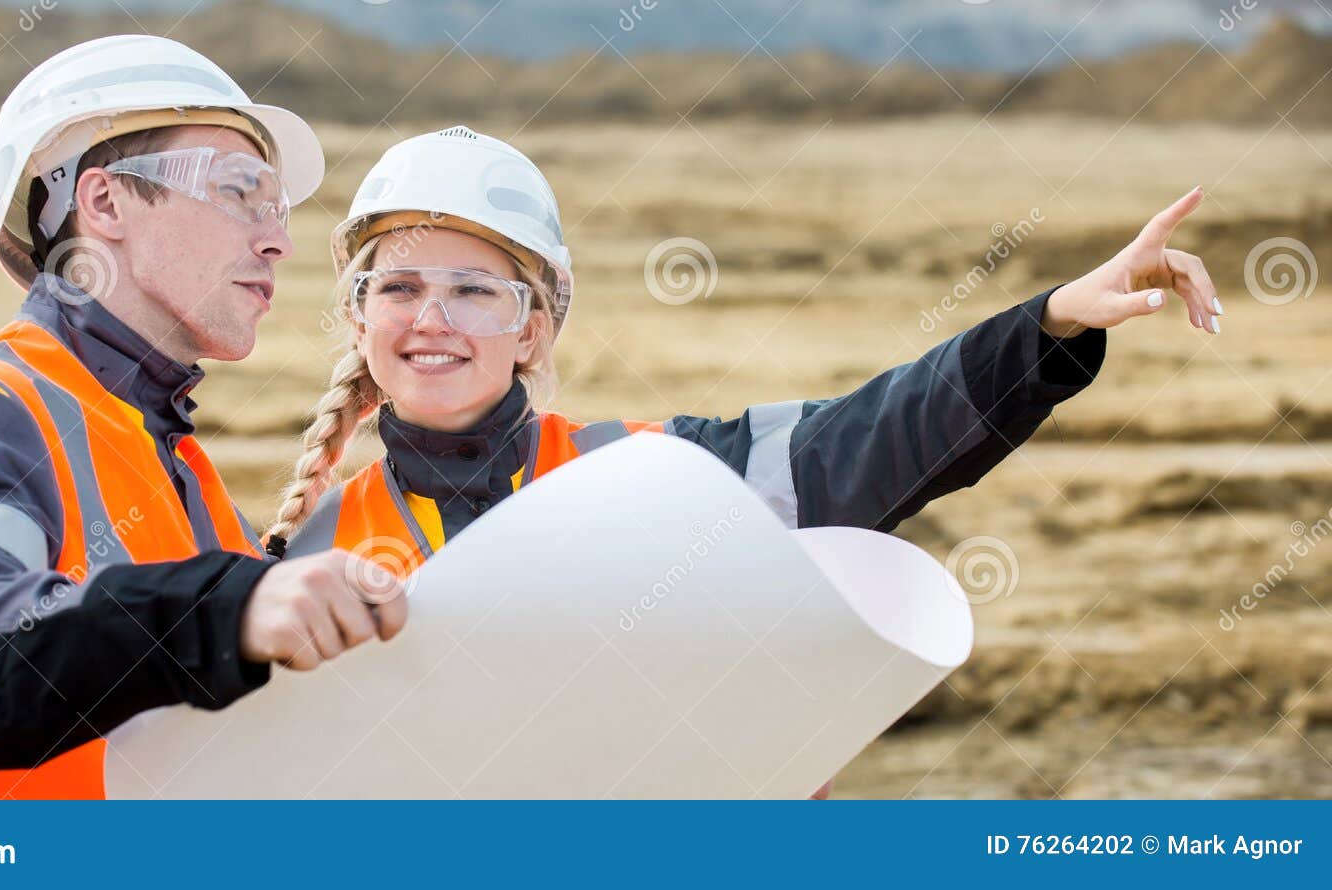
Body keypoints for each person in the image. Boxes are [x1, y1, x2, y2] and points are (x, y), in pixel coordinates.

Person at [264, 126, 1222, 795]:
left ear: (532, 331)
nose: (431, 320)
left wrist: (1047, 326)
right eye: (400, 287)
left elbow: (870, 441)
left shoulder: (656, 477)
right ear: (358, 316)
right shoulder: (303, 561)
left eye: (476, 290)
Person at [0, 35, 406, 800]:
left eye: (275, 207)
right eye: (239, 191)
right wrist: (224, 611)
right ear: (105, 201)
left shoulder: (188, 479)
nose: (279, 239)